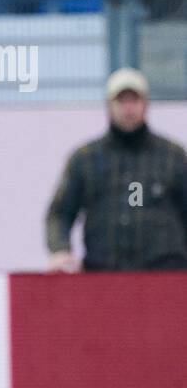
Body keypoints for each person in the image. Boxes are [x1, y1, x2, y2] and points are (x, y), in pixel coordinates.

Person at [46, 68, 187, 272]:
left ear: (145, 104)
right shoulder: (85, 159)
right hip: (103, 278)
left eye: (134, 100)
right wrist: (60, 250)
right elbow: (60, 213)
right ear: (109, 106)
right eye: (121, 101)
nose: (128, 108)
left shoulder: (173, 156)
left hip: (165, 278)